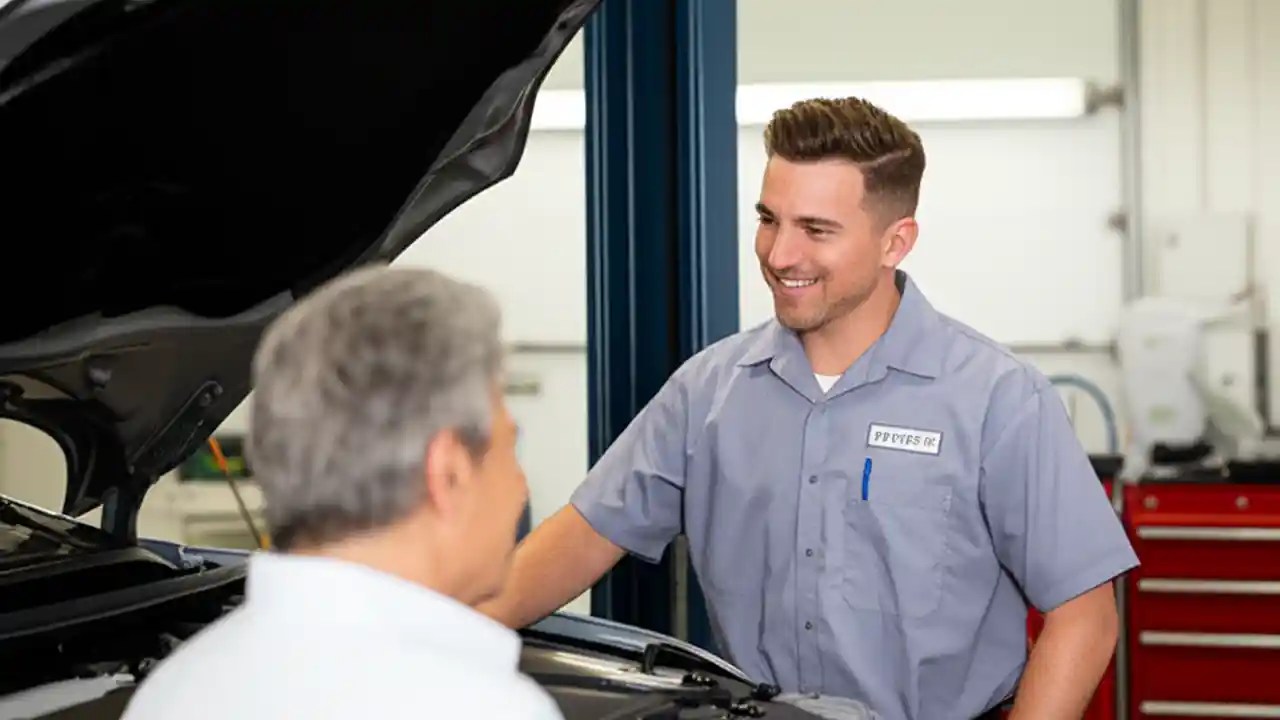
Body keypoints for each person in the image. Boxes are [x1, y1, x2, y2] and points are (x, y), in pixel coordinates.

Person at [477, 96, 1140, 720]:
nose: (779, 254)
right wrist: (418, 624)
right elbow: (582, 539)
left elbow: (1084, 614)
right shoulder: (707, 393)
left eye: (816, 230)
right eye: (769, 219)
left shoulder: (997, 399)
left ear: (895, 241)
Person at [122, 266, 564, 720]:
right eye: (508, 450)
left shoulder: (174, 692)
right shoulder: (486, 707)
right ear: (448, 472)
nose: (520, 487)